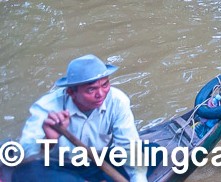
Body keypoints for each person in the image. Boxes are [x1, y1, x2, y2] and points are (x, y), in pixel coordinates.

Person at [14, 54, 147, 182]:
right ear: (71, 92)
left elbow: (129, 146)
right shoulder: (47, 107)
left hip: (98, 162)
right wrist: (49, 141)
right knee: (25, 173)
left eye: (105, 85)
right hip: (61, 167)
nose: (101, 94)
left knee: (151, 152)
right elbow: (25, 155)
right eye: (91, 90)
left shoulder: (117, 100)